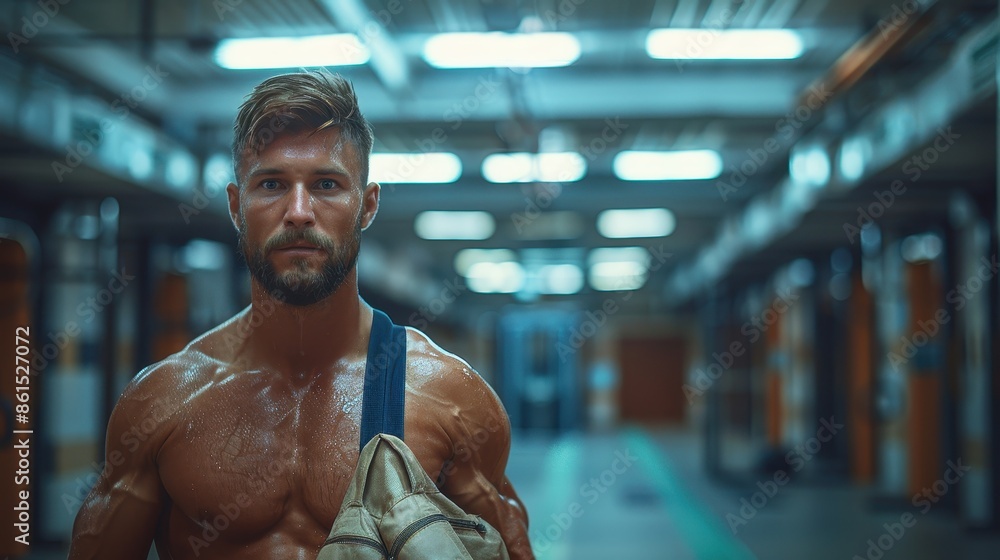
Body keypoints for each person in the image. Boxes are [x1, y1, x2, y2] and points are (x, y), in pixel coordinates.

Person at [69, 70, 533, 559]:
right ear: (236, 206)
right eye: (271, 183)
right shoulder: (164, 401)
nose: (298, 211)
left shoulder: (450, 397)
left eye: (326, 184)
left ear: (367, 206)